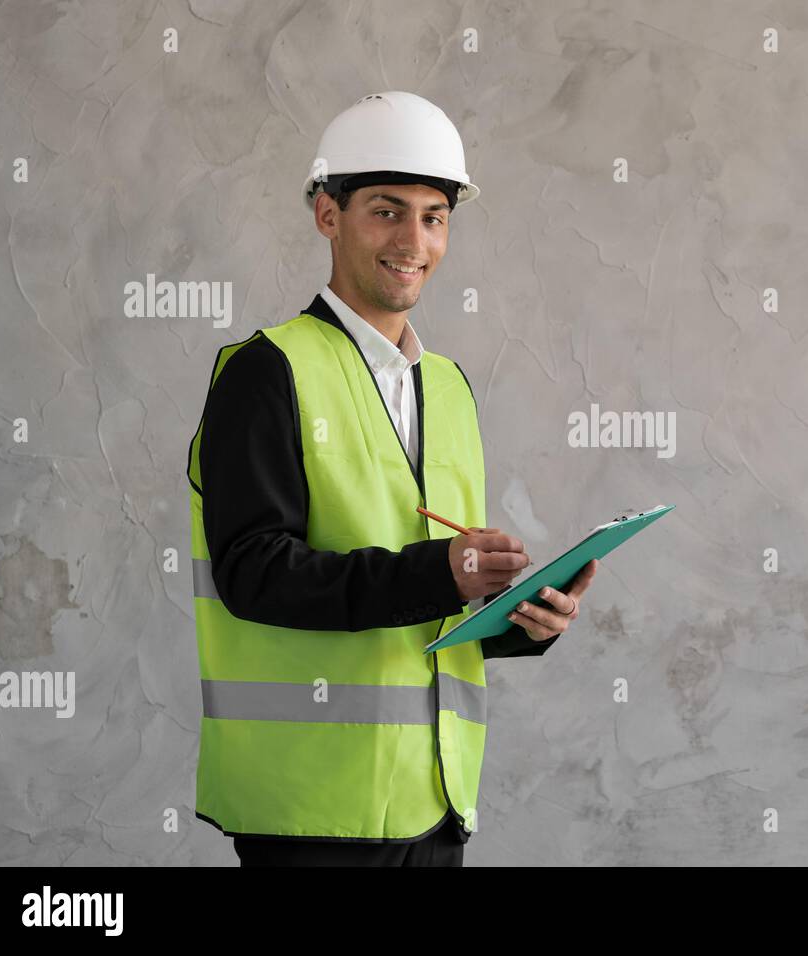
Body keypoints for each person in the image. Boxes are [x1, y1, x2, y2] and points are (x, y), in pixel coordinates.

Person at [185, 91, 598, 867]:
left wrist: (514, 620)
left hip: (433, 799)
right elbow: (253, 573)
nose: (414, 240)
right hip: (310, 811)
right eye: (386, 210)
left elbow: (427, 601)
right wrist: (443, 573)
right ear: (326, 214)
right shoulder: (266, 372)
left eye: (434, 216)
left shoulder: (447, 386)